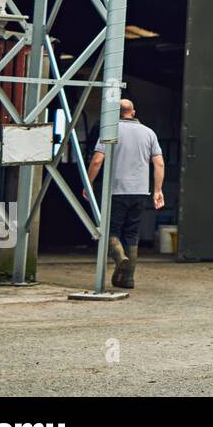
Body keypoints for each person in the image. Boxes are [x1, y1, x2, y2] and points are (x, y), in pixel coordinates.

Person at [84, 98, 165, 289]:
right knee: (132, 233)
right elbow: (159, 163)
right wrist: (158, 190)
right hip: (140, 191)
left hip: (116, 191)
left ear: (114, 113)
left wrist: (88, 184)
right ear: (133, 112)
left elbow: (97, 161)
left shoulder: (110, 131)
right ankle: (128, 279)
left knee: (111, 230)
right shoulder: (149, 133)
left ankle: (120, 257)